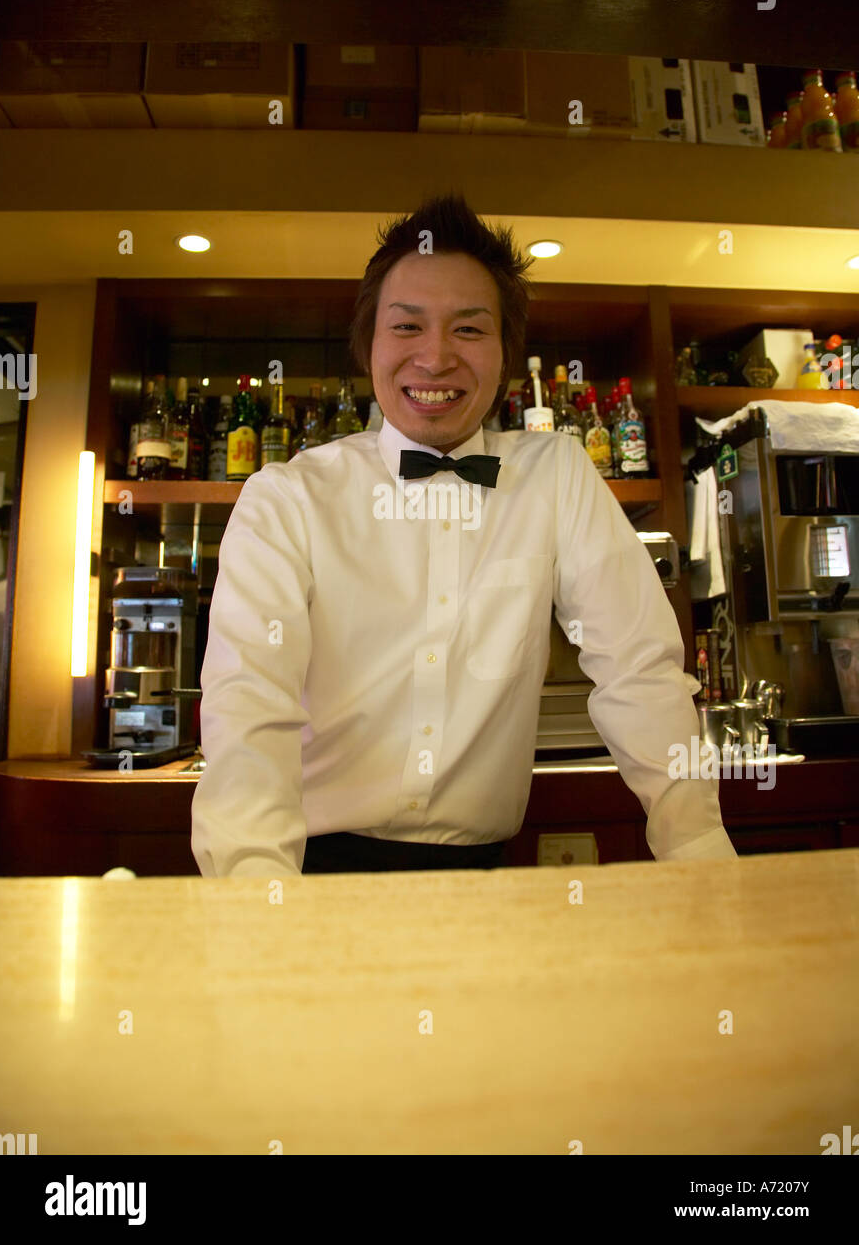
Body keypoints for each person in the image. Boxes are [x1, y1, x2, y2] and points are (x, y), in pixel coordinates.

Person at [191, 194, 736, 876]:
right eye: (408, 326)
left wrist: (702, 859)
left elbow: (640, 672)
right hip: (309, 875)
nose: (436, 357)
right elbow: (249, 705)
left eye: (470, 331)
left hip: (482, 878)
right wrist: (256, 902)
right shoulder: (287, 498)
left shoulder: (555, 474)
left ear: (506, 352)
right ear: (369, 346)